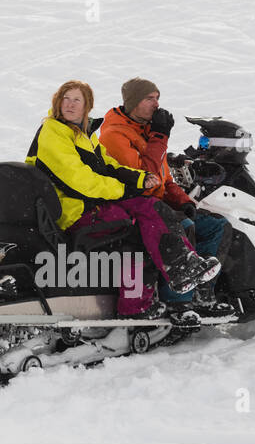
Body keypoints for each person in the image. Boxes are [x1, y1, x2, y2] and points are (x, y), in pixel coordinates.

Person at [25, 80, 220, 318]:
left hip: (88, 206)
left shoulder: (82, 135)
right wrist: (125, 191)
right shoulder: (54, 132)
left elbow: (111, 166)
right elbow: (81, 181)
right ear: (57, 102)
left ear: (87, 106)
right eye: (65, 98)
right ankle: (158, 289)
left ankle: (164, 283)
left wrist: (140, 180)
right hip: (71, 211)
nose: (70, 104)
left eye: (77, 99)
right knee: (144, 219)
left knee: (145, 222)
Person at [97, 78, 234, 319]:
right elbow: (145, 180)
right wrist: (160, 137)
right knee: (185, 227)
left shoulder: (147, 131)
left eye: (157, 98)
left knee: (216, 226)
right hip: (134, 205)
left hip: (158, 203)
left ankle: (202, 293)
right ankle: (177, 303)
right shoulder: (114, 134)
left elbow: (165, 179)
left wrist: (184, 202)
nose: (156, 104)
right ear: (133, 103)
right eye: (149, 98)